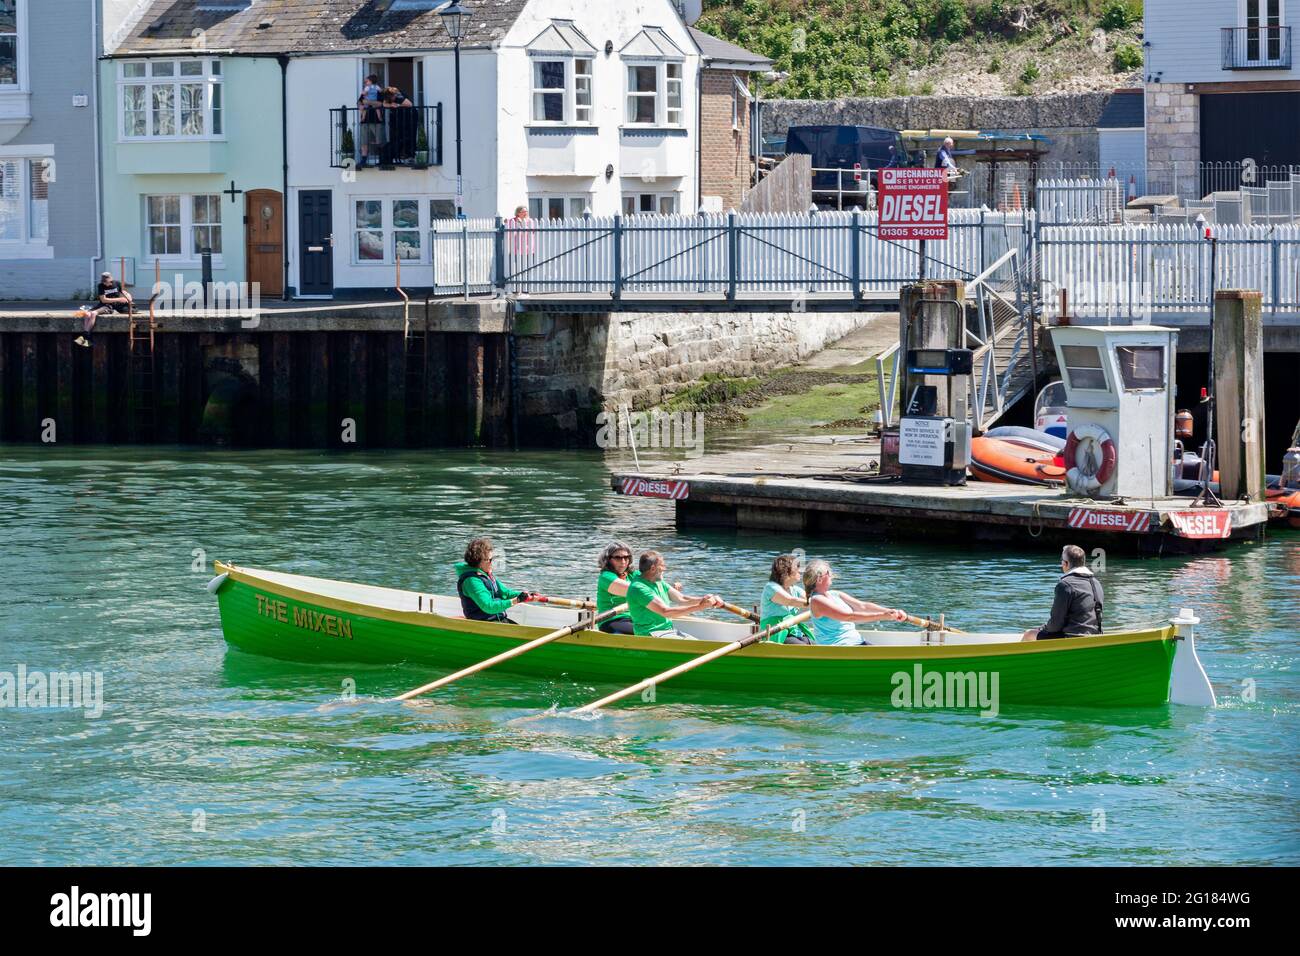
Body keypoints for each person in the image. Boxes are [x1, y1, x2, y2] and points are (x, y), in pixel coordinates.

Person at [803, 559, 907, 646]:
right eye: (828, 572)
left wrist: (891, 611)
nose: (831, 575)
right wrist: (883, 616)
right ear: (819, 579)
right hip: (838, 647)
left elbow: (863, 606)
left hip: (856, 642)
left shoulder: (835, 594)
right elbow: (848, 616)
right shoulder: (817, 600)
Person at [626, 550, 723, 639]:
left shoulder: (658, 582)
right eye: (662, 565)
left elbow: (682, 598)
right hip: (649, 634)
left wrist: (705, 599)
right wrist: (700, 607)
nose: (665, 568)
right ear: (652, 568)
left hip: (667, 631)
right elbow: (665, 611)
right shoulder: (638, 588)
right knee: (698, 645)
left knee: (697, 642)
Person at [1021, 545, 1103, 641]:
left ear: (1066, 564)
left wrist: (1041, 629)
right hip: (1095, 636)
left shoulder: (1065, 585)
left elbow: (1055, 626)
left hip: (1072, 638)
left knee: (1028, 634)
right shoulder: (1096, 583)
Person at [454, 537, 538, 624]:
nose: (492, 562)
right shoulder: (472, 581)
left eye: (492, 559)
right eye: (489, 560)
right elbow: (488, 606)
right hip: (483, 624)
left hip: (497, 620)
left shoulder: (486, 575)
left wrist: (525, 596)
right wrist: (516, 600)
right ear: (478, 561)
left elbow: (506, 593)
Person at [760, 553, 813, 645]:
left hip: (792, 630)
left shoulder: (795, 590)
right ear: (787, 572)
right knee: (803, 647)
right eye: (797, 569)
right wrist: (814, 604)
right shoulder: (771, 587)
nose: (800, 572)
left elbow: (811, 599)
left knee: (813, 643)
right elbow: (790, 601)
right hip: (775, 632)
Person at [75, 272, 133, 348]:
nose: (105, 284)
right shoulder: (100, 286)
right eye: (104, 282)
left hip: (111, 307)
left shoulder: (117, 283)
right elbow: (104, 300)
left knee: (93, 314)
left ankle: (85, 336)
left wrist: (129, 298)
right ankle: (86, 336)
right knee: (87, 314)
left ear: (111, 280)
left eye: (107, 282)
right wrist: (120, 299)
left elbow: (125, 292)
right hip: (103, 304)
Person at [595, 541, 636, 635]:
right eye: (618, 558)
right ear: (608, 560)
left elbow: (654, 583)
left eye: (626, 557)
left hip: (634, 619)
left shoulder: (634, 575)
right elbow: (634, 590)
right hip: (612, 620)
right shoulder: (606, 577)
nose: (623, 562)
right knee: (645, 631)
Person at [382, 86, 415, 164]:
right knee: (398, 136)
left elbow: (410, 104)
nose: (389, 100)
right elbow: (384, 104)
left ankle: (410, 155)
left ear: (392, 95)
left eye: (389, 98)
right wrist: (391, 105)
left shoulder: (399, 96)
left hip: (410, 116)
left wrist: (397, 105)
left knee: (409, 135)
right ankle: (399, 155)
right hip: (400, 118)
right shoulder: (389, 97)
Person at [358, 75, 385, 166]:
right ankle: (364, 159)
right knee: (364, 141)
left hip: (376, 120)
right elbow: (360, 102)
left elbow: (381, 103)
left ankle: (382, 159)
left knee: (379, 140)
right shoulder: (366, 90)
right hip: (365, 120)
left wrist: (368, 102)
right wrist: (362, 106)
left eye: (367, 81)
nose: (365, 83)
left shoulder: (378, 91)